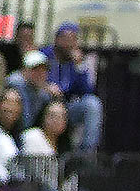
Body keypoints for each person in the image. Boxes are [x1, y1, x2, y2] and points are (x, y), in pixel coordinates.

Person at [41, 22, 103, 151]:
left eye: (73, 39)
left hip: (66, 107)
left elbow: (87, 91)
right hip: (44, 103)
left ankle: (86, 155)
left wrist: (80, 66)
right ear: (57, 40)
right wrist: (46, 85)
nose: (69, 44)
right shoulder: (44, 54)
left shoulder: (76, 61)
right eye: (65, 39)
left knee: (92, 104)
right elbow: (32, 77)